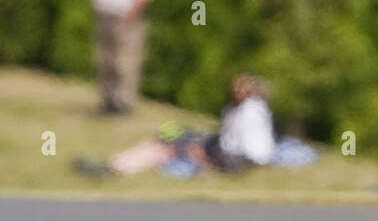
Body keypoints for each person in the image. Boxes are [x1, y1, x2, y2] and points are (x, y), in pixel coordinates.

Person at [78, 74, 275, 177]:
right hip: (224, 151)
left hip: (230, 157)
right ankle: (113, 165)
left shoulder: (249, 112)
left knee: (159, 150)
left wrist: (207, 153)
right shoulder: (248, 110)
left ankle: (114, 167)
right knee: (159, 144)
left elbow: (237, 144)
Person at [91, 0, 160, 115]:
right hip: (105, 13)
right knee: (106, 60)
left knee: (125, 62)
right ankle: (108, 100)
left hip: (126, 17)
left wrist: (130, 15)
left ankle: (123, 103)